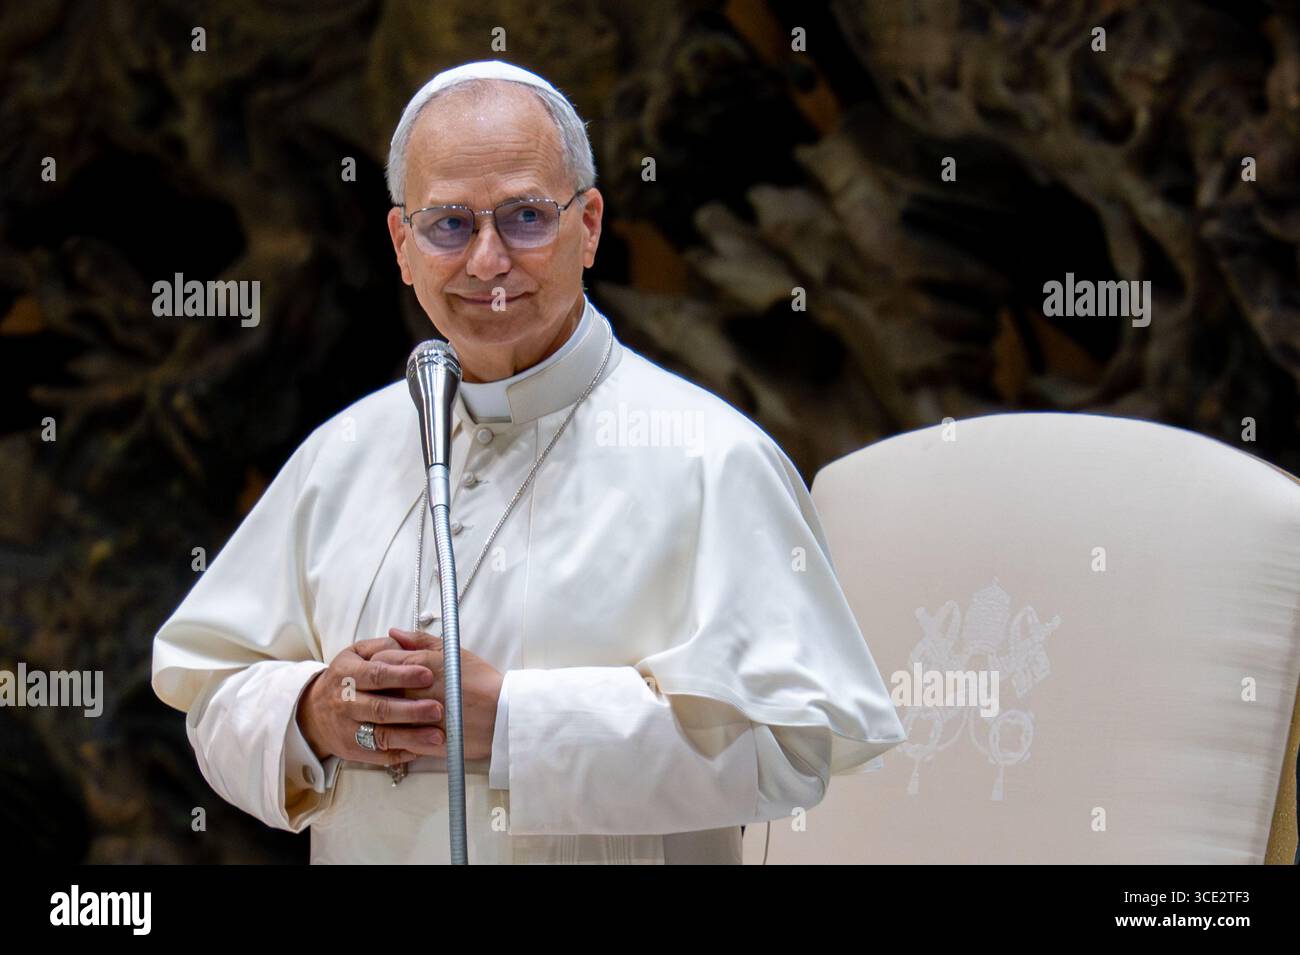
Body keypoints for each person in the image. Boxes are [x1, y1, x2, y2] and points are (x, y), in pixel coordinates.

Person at [150, 59, 906, 864]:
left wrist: (512, 719)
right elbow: (212, 690)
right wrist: (312, 713)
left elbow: (792, 747)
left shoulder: (712, 459)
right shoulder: (340, 455)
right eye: (448, 225)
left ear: (589, 225)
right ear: (401, 245)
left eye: (525, 217)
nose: (486, 262)